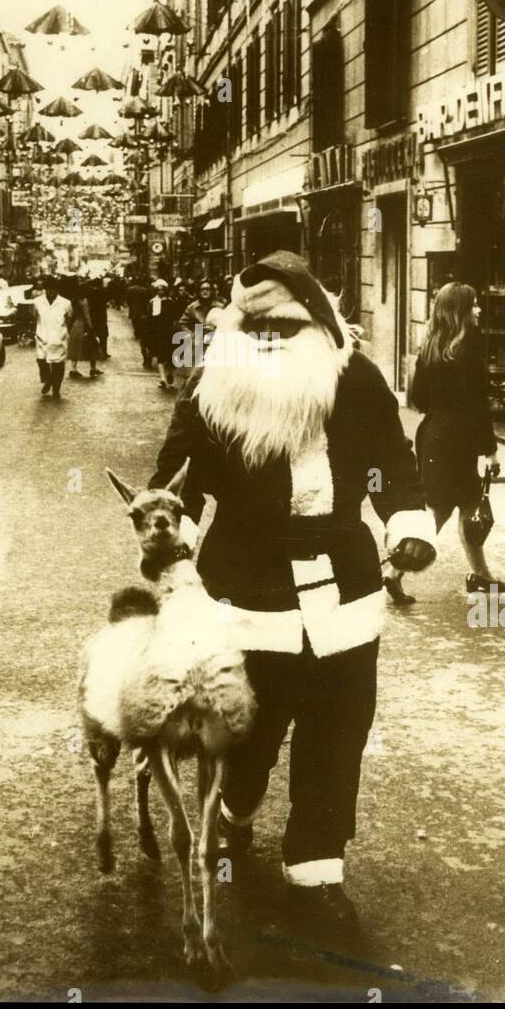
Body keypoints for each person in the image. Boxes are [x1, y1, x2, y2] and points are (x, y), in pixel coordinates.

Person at [148, 251, 436, 939]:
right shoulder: (210, 394)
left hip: (343, 595)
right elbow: (178, 483)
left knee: (338, 732)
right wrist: (168, 538)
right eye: (257, 335)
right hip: (247, 593)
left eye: (283, 331)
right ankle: (234, 811)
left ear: (317, 328)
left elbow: (391, 466)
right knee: (247, 736)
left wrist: (408, 523)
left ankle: (314, 867)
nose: (269, 347)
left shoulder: (357, 382)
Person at [400, 282, 505, 605]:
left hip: (434, 434)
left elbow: (418, 398)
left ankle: (481, 576)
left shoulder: (430, 346)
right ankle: (394, 572)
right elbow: (478, 404)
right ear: (460, 312)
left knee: (464, 505)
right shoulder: (470, 348)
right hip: (457, 439)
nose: (479, 310)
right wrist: (490, 450)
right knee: (443, 509)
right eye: (474, 305)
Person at [32, 276, 72, 399]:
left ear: (57, 290)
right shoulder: (37, 302)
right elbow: (34, 317)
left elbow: (69, 318)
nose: (50, 292)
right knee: (41, 361)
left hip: (59, 337)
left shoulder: (65, 303)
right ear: (45, 289)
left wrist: (64, 331)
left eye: (53, 289)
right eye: (48, 289)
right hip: (42, 336)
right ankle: (48, 380)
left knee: (58, 365)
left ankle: (56, 388)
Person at [65, 277, 102, 381]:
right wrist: (90, 327)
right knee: (91, 346)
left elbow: (70, 315)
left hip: (75, 326)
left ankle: (73, 369)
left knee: (75, 347)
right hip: (84, 326)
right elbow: (86, 316)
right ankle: (93, 368)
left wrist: (69, 326)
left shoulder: (73, 301)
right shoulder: (84, 301)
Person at [147, 279, 181, 391]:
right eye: (158, 289)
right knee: (160, 356)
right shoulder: (153, 302)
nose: (160, 291)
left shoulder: (171, 302)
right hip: (158, 333)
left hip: (169, 332)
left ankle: (169, 373)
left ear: (165, 290)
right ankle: (162, 378)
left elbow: (176, 318)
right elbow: (150, 318)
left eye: (162, 289)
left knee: (170, 356)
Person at [126, 275, 153, 368]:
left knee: (134, 322)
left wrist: (130, 306)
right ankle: (148, 359)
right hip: (143, 312)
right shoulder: (145, 290)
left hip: (134, 309)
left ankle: (136, 332)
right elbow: (147, 302)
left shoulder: (130, 289)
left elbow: (128, 300)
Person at [85, 276, 109, 361]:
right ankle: (104, 352)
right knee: (103, 336)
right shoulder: (103, 292)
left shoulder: (89, 292)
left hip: (92, 316)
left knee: (91, 335)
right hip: (101, 317)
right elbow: (106, 302)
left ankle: (90, 352)